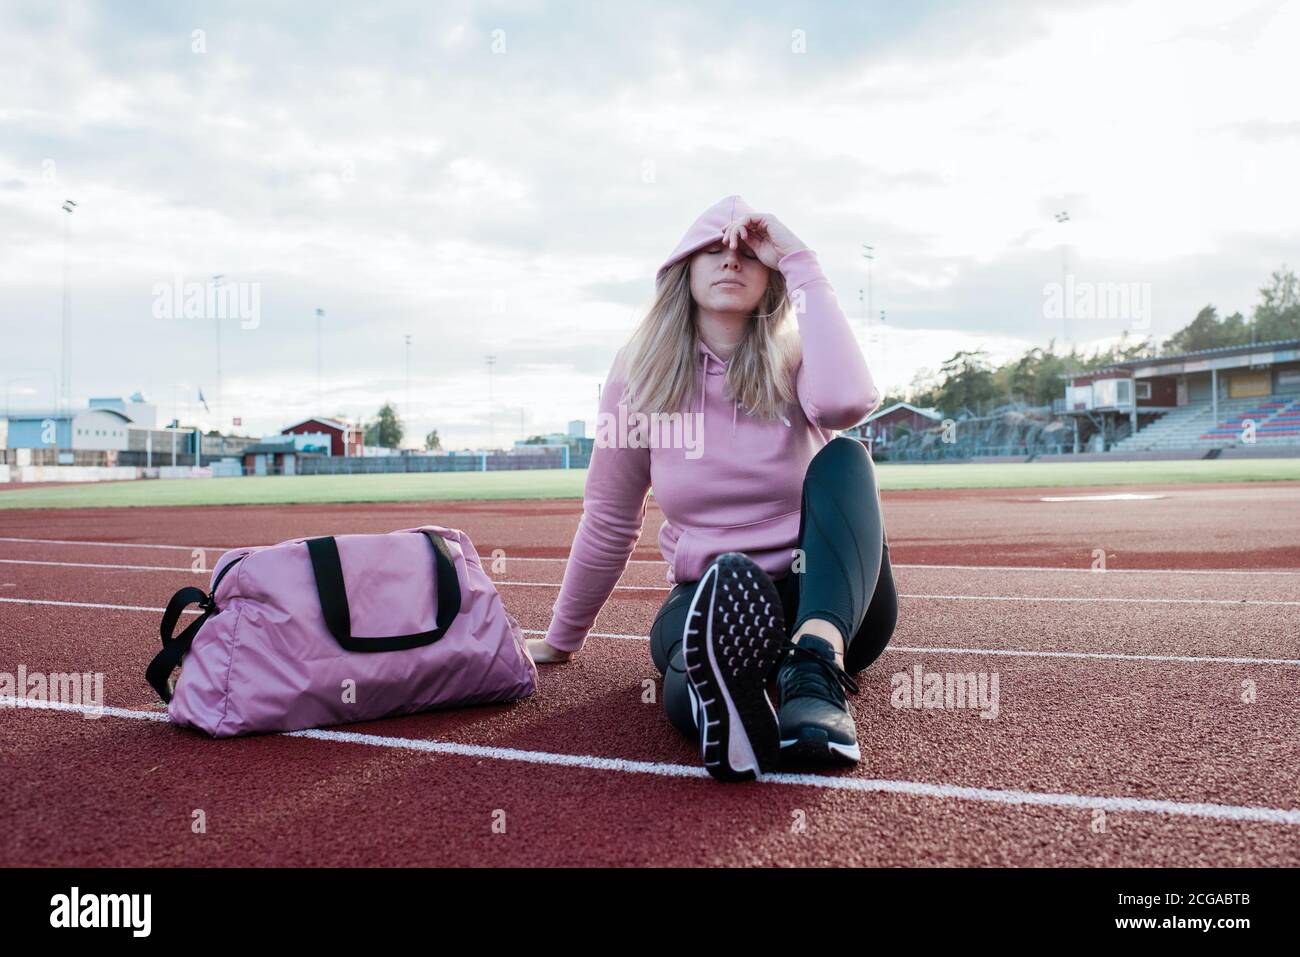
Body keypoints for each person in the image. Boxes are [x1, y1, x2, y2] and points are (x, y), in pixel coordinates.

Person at [528, 195, 897, 781]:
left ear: (772, 275)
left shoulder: (800, 357)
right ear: (685, 270)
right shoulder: (638, 374)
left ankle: (814, 667)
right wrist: (562, 638)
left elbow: (848, 403)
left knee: (846, 459)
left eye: (750, 252)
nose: (731, 260)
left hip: (827, 596)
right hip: (713, 596)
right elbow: (610, 514)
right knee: (683, 677)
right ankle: (730, 708)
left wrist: (802, 262)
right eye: (712, 248)